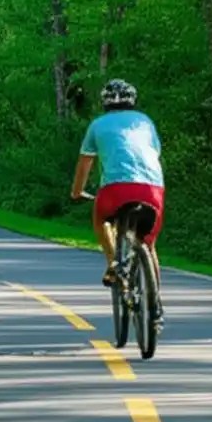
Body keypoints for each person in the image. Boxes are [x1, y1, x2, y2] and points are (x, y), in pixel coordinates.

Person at [69, 79, 165, 292]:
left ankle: (114, 263)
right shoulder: (145, 122)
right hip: (152, 189)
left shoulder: (97, 125)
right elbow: (155, 153)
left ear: (105, 102)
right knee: (149, 246)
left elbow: (84, 164)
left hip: (116, 189)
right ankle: (156, 308)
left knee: (101, 219)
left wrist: (77, 192)